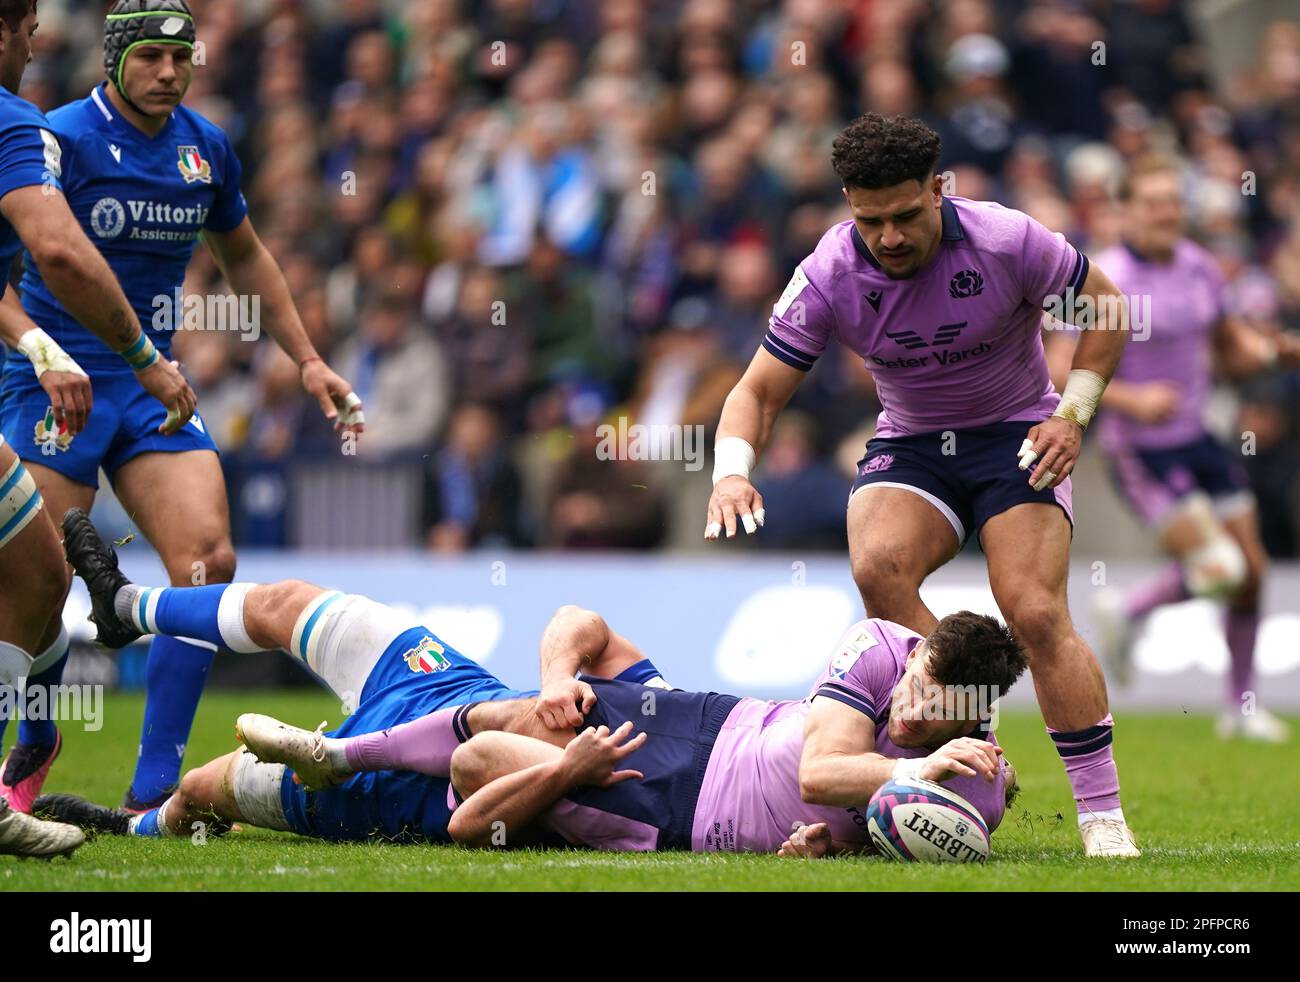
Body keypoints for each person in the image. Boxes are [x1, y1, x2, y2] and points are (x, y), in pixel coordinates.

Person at [44, 509, 1018, 856]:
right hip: (467, 686)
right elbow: (579, 625)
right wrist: (558, 677)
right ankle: (127, 609)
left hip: (447, 776)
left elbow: (477, 810)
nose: (905, 698)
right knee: (290, 597)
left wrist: (565, 759)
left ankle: (143, 825)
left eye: (928, 704)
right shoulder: (674, 702)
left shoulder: (628, 785)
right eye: (918, 675)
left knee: (210, 789)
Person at [703, 113, 1139, 857]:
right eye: (870, 221)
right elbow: (757, 392)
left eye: (906, 216)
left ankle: (1101, 817)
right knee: (879, 568)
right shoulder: (829, 272)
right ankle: (969, 737)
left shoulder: (1008, 239)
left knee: (1032, 610)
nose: (891, 237)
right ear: (847, 202)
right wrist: (730, 473)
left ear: (939, 189)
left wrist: (1074, 415)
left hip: (1016, 435)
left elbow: (1107, 310)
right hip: (911, 445)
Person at [0, 0, 363, 816]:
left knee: (209, 563)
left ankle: (152, 788)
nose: (169, 72)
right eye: (150, 58)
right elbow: (12, 271)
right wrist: (35, 345)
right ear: (114, 60)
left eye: (182, 57)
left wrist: (306, 361)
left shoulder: (206, 149)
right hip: (54, 379)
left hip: (150, 383)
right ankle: (37, 729)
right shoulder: (53, 136)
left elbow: (247, 257)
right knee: (36, 579)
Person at [0, 0, 196, 855]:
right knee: (33, 579)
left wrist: (38, 343)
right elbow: (63, 253)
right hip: (88, 383)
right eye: (25, 24)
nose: (36, 39)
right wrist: (145, 353)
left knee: (41, 573)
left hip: (73, 376)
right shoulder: (24, 126)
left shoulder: (204, 148)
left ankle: (47, 746)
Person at [1046, 154, 1300, 742]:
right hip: (1141, 449)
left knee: (1253, 575)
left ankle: (1240, 707)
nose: (1166, 212)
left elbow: (1228, 347)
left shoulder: (1202, 268)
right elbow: (1059, 364)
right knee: (1221, 568)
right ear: (1125, 210)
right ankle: (1128, 611)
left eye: (1173, 201)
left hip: (1200, 440)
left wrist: (1269, 354)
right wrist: (1132, 401)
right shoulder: (1102, 276)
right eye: (1153, 202)